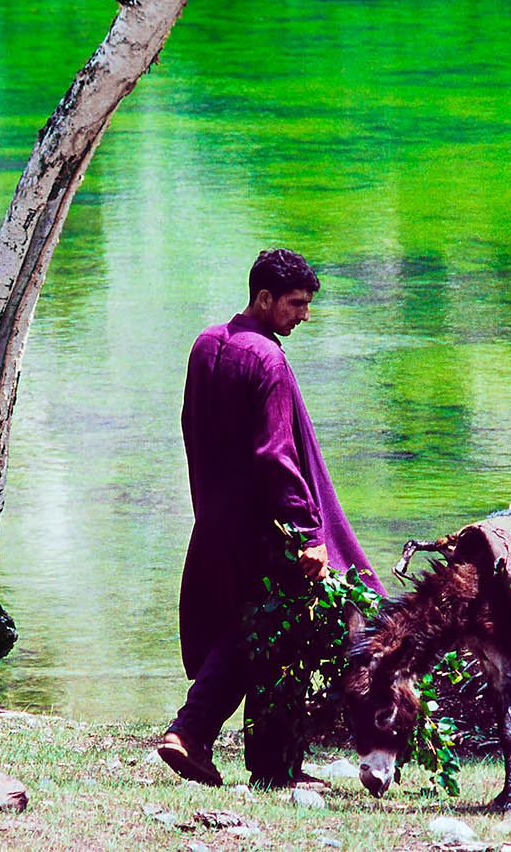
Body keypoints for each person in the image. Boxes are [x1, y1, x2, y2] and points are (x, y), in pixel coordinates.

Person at [157, 248, 384, 788]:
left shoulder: (206, 344)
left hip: (215, 523)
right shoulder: (268, 361)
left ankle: (225, 749)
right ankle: (227, 748)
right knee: (273, 636)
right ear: (264, 298)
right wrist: (309, 534)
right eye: (296, 304)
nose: (304, 315)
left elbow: (193, 428)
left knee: (250, 631)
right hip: (266, 529)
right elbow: (275, 455)